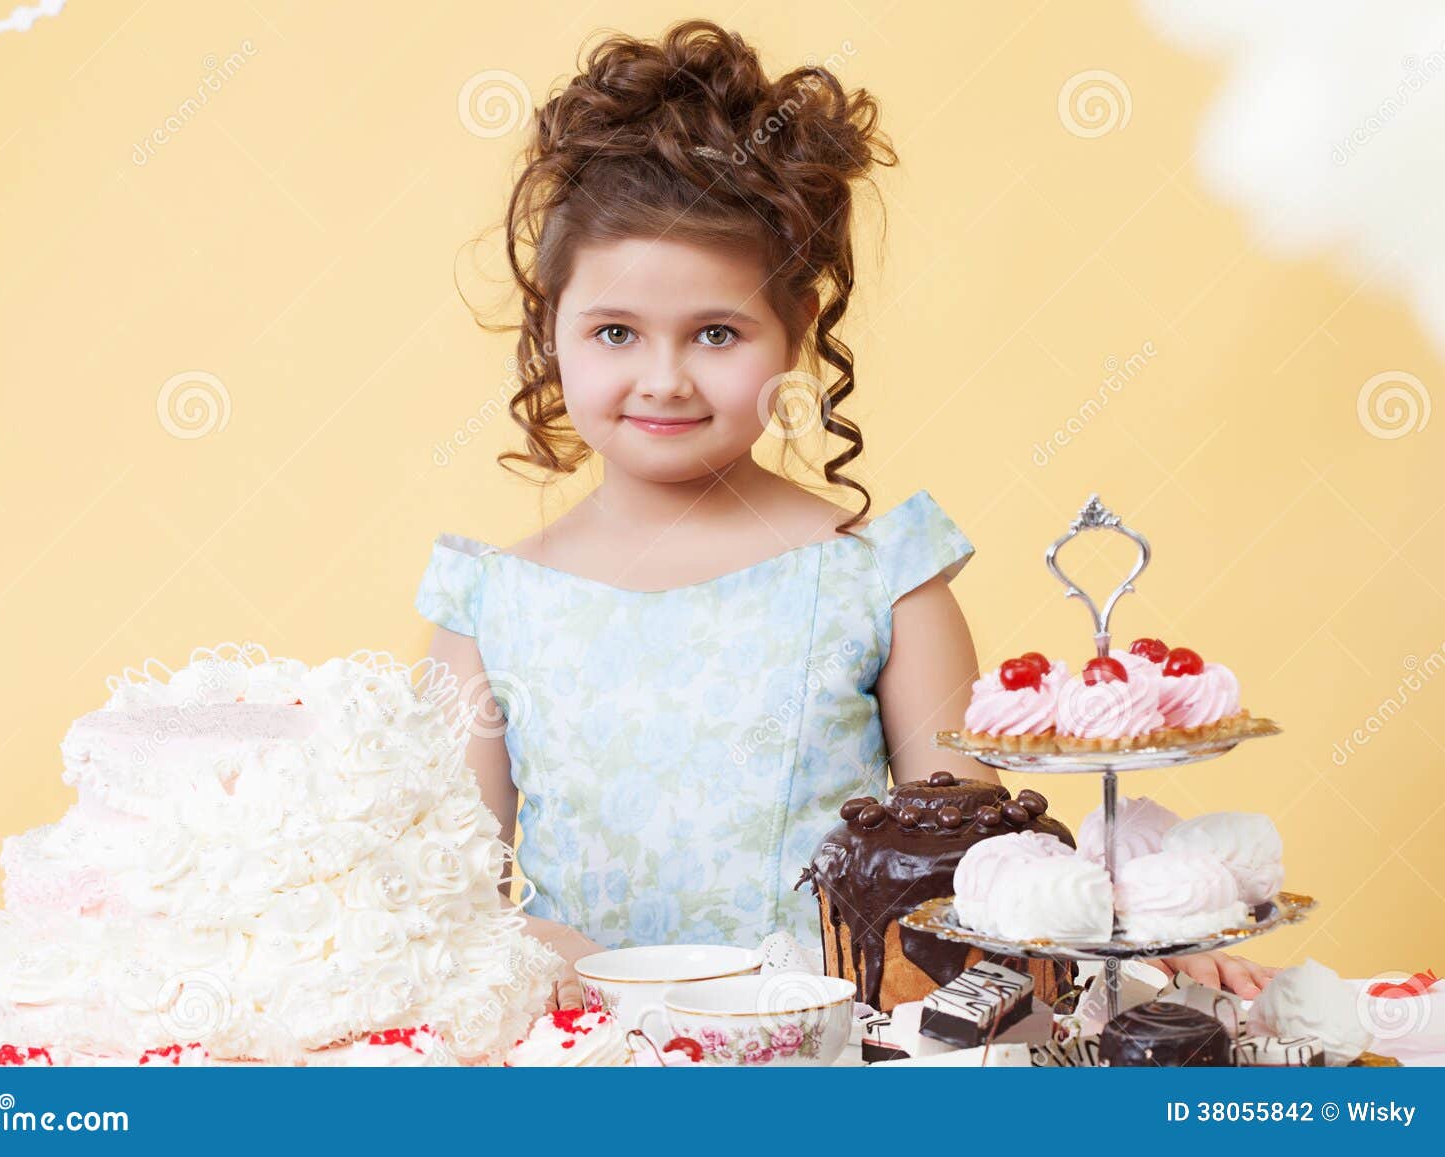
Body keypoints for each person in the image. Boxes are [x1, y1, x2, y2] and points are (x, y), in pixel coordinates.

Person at [415, 19, 1274, 1003]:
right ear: (549, 331)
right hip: (587, 1051)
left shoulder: (881, 577)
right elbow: (446, 902)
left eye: (715, 333)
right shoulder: (486, 607)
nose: (663, 378)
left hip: (844, 1052)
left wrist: (1140, 935)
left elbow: (979, 878)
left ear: (796, 333)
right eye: (615, 331)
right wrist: (547, 957)